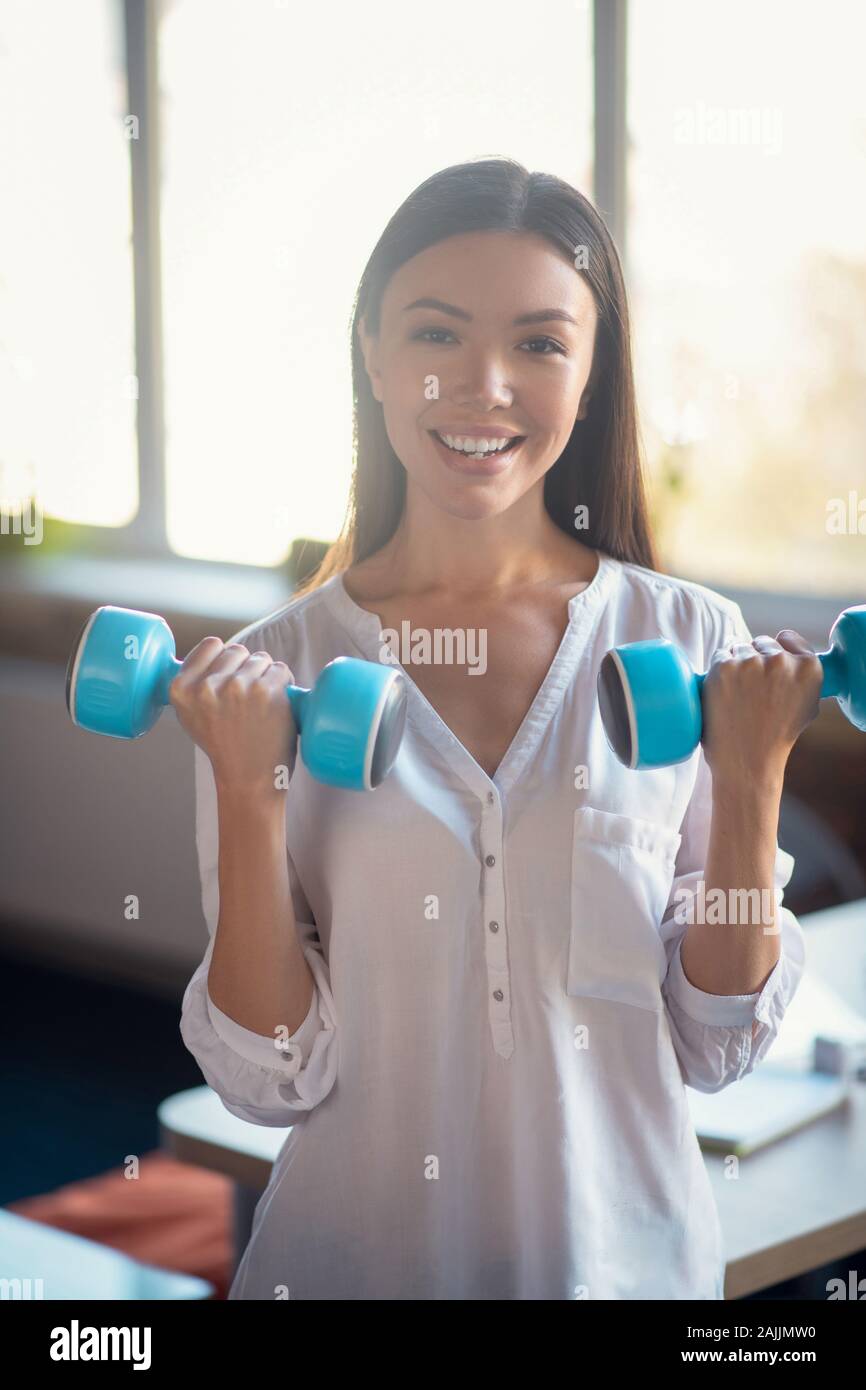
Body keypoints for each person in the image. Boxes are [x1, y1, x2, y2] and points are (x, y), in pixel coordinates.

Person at [176, 158, 821, 1300]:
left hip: (624, 1271)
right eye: (434, 334)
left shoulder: (685, 639)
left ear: (588, 374)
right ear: (372, 354)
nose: (482, 387)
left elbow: (716, 1036)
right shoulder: (271, 675)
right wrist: (245, 789)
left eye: (536, 342)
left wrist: (752, 771)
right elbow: (271, 1073)